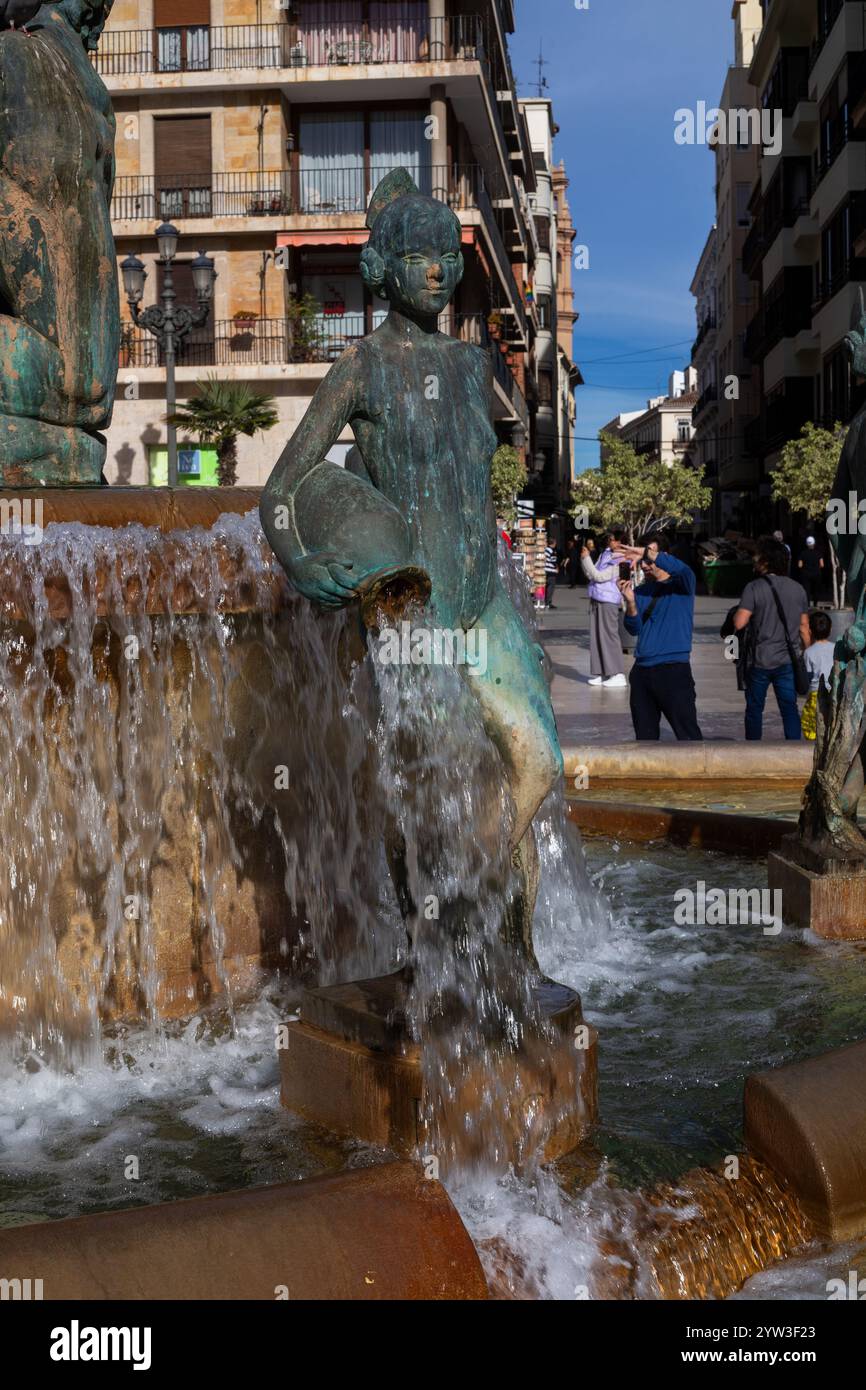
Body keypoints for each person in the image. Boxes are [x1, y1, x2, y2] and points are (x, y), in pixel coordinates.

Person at [618, 537, 702, 740]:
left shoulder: (683, 584)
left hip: (674, 670)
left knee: (688, 736)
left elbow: (681, 569)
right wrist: (630, 603)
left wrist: (646, 552)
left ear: (664, 557)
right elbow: (634, 628)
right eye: (643, 561)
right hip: (642, 672)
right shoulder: (641, 591)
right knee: (645, 739)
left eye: (650, 559)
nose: (645, 565)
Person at [731, 536, 810, 741]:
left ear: (766, 561)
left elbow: (739, 623)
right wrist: (805, 653)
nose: (754, 561)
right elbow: (804, 628)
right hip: (786, 660)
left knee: (755, 708)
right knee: (789, 708)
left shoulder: (753, 588)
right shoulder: (798, 589)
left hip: (760, 659)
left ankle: (754, 748)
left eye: (757, 557)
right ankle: (793, 747)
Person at [581, 528, 627, 687]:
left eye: (616, 540)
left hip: (609, 599)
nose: (613, 542)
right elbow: (590, 574)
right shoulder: (606, 553)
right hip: (596, 597)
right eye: (612, 539)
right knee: (597, 636)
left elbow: (599, 576)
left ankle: (617, 673)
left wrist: (586, 560)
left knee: (609, 635)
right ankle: (602, 672)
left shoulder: (621, 559)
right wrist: (585, 559)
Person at [801, 608, 835, 741]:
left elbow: (809, 674)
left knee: (809, 723)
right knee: (830, 722)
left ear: (810, 631)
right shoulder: (836, 647)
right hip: (832, 690)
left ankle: (812, 747)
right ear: (830, 629)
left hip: (815, 692)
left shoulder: (808, 652)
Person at [797, 536, 824, 605]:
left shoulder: (803, 553)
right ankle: (815, 603)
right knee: (816, 590)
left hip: (806, 574)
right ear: (814, 543)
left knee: (807, 589)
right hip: (816, 573)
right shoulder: (818, 553)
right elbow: (822, 565)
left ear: (806, 544)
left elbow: (800, 565)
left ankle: (808, 604)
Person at [544, 534, 561, 609]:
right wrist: (557, 568)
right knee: (550, 587)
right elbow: (553, 561)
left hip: (545, 570)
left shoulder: (545, 550)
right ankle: (548, 603)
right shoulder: (552, 551)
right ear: (554, 543)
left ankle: (545, 601)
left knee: (546, 587)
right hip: (551, 571)